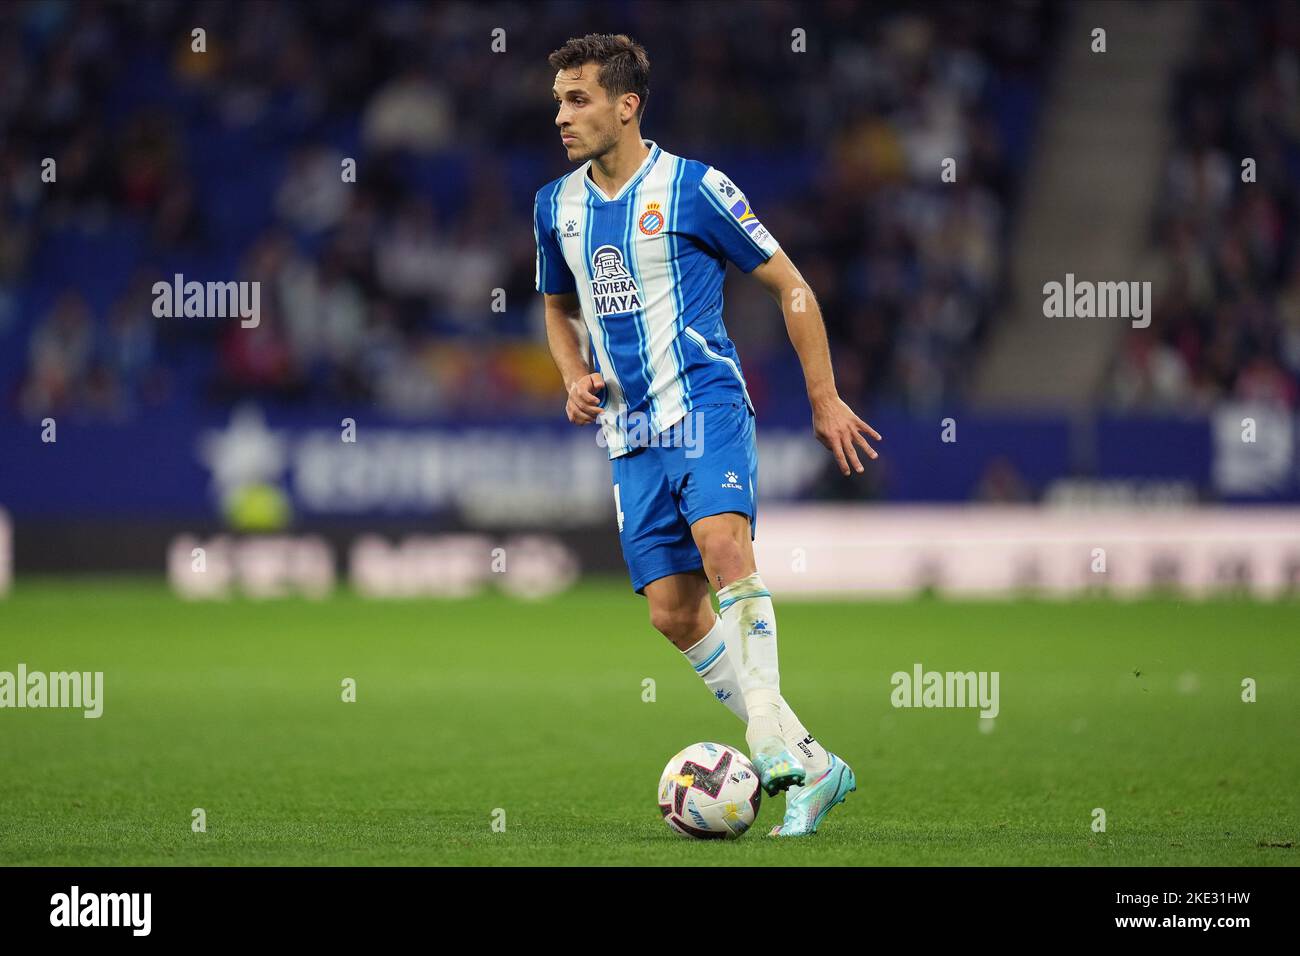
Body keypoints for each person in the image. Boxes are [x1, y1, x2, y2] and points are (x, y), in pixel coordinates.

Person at [535, 33, 880, 836]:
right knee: (674, 612)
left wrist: (824, 399)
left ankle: (764, 733)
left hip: (705, 406)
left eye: (578, 99)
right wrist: (569, 374)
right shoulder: (555, 205)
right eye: (557, 100)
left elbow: (791, 286)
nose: (562, 115)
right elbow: (556, 306)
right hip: (630, 433)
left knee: (726, 548)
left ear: (628, 105)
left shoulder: (695, 189)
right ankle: (818, 764)